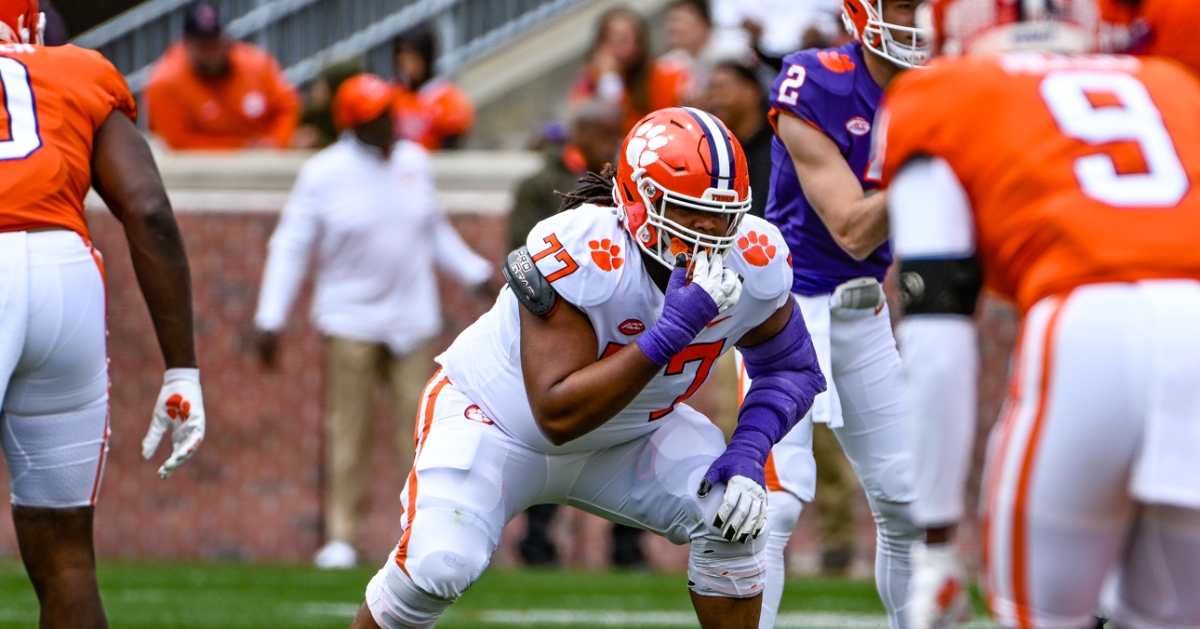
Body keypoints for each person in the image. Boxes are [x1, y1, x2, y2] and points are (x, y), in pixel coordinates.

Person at [348, 106, 825, 629]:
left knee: (734, 518)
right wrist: (671, 333)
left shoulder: (753, 257)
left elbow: (792, 369)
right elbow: (557, 414)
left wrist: (750, 450)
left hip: (630, 435)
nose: (711, 232)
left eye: (724, 214)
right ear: (640, 201)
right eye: (689, 212)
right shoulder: (585, 249)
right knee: (438, 566)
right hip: (496, 422)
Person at [874, 1, 1200, 628]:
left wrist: (936, 540)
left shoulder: (943, 93)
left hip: (1086, 331)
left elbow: (938, 340)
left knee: (1042, 617)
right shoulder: (1172, 83)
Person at [0, 2, 206, 627]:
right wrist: (182, 371)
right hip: (67, 278)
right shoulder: (78, 70)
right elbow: (147, 209)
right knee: (67, 563)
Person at [253, 74, 494, 570]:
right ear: (355, 125)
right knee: (349, 432)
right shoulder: (323, 172)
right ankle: (343, 536)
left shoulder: (413, 161)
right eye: (378, 117)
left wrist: (476, 273)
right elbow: (292, 243)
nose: (390, 123)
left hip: (412, 318)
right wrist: (270, 315)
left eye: (390, 112)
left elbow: (432, 230)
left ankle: (426, 531)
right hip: (350, 320)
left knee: (429, 432)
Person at [753, 1, 930, 627]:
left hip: (863, 309)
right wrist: (937, 153)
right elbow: (853, 228)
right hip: (782, 312)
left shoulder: (943, 87)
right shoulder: (816, 80)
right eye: (907, 3)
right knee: (769, 507)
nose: (923, 16)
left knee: (909, 502)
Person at [507, 100, 648, 569]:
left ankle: (627, 544)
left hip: (622, 324)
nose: (613, 142)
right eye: (606, 131)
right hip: (562, 324)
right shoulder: (538, 183)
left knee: (635, 425)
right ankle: (537, 540)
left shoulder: (633, 188)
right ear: (582, 131)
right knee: (556, 425)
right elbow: (523, 253)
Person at [145, 1, 300, 149]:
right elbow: (177, 140)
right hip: (200, 169)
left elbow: (286, 106)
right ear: (186, 43)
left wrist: (276, 142)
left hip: (261, 158)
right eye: (201, 42)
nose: (210, 49)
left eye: (214, 39)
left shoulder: (257, 64)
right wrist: (239, 147)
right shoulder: (165, 81)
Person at [570, 9, 683, 132]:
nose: (629, 45)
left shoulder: (659, 74)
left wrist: (611, 81)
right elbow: (579, 120)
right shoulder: (588, 78)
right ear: (601, 44)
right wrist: (608, 78)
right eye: (621, 39)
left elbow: (636, 125)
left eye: (634, 38)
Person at [391, 23, 475, 150]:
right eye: (402, 57)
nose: (407, 65)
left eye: (413, 57)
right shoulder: (391, 93)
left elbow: (452, 146)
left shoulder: (447, 97)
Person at [657, 0, 718, 108]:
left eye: (679, 20)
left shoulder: (732, 51)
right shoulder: (667, 65)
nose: (672, 27)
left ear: (703, 23)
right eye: (670, 21)